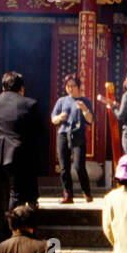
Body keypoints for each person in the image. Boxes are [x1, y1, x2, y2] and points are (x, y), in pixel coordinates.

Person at [0, 71, 42, 209]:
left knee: (14, 193)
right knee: (17, 195)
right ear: (21, 88)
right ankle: (14, 228)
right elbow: (38, 131)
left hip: (0, 154)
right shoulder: (30, 104)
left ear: (3, 87)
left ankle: (19, 224)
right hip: (23, 155)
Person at [51, 73, 94, 204]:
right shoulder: (61, 101)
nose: (70, 88)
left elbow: (90, 120)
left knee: (78, 166)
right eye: (68, 86)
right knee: (64, 166)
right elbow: (53, 119)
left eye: (73, 86)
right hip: (63, 134)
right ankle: (68, 194)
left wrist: (84, 109)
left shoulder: (85, 101)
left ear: (78, 87)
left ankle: (86, 192)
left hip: (78, 135)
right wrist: (59, 117)